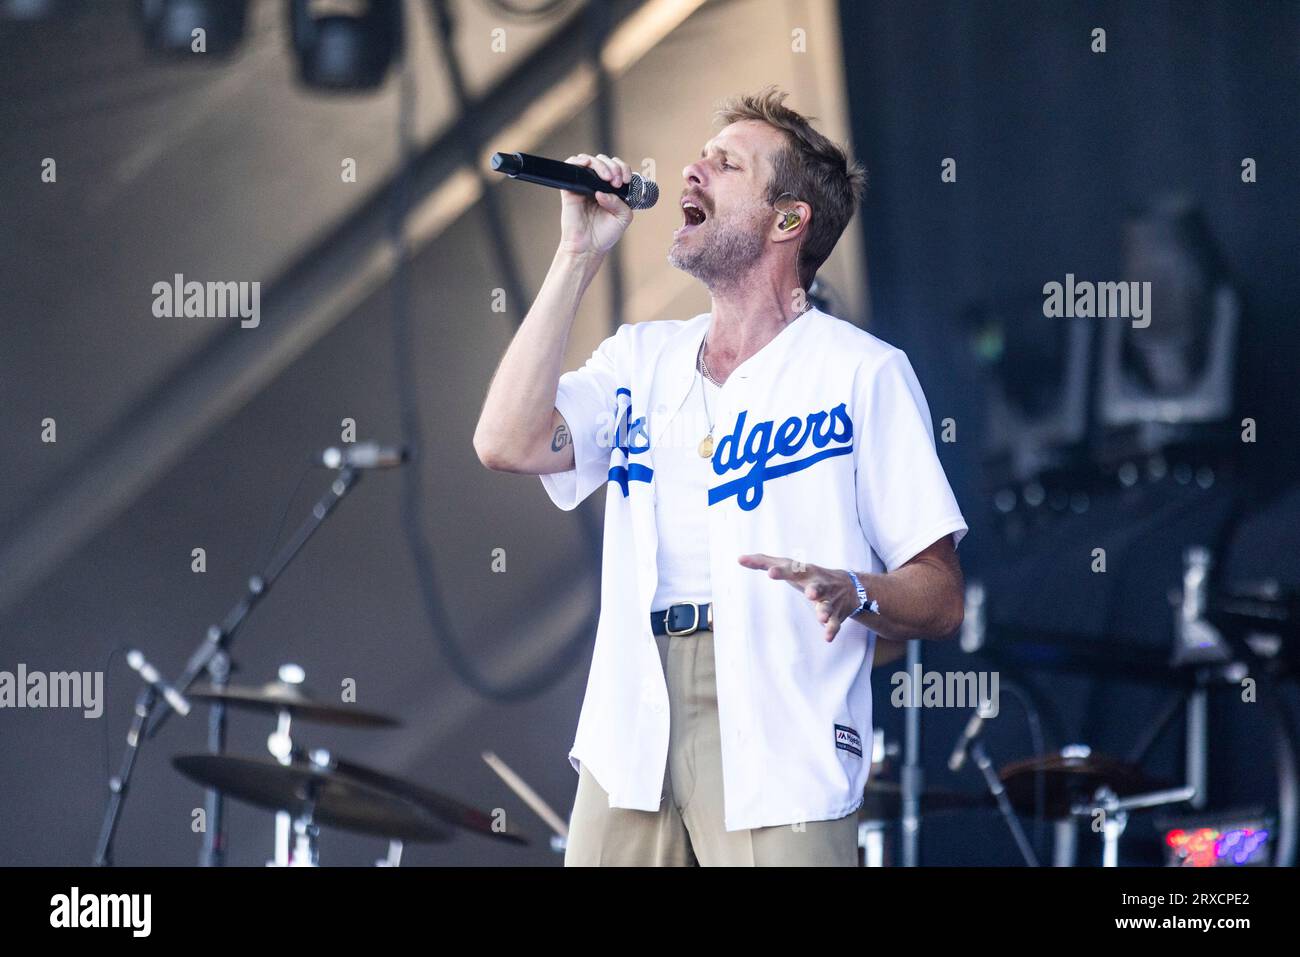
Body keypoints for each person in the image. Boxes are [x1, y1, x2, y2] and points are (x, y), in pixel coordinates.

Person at [473, 87, 967, 866]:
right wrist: (577, 254)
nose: (690, 172)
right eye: (700, 158)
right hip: (631, 721)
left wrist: (854, 587)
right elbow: (504, 440)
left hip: (782, 726)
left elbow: (940, 595)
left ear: (787, 220)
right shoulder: (641, 358)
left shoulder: (862, 372)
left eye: (724, 164)